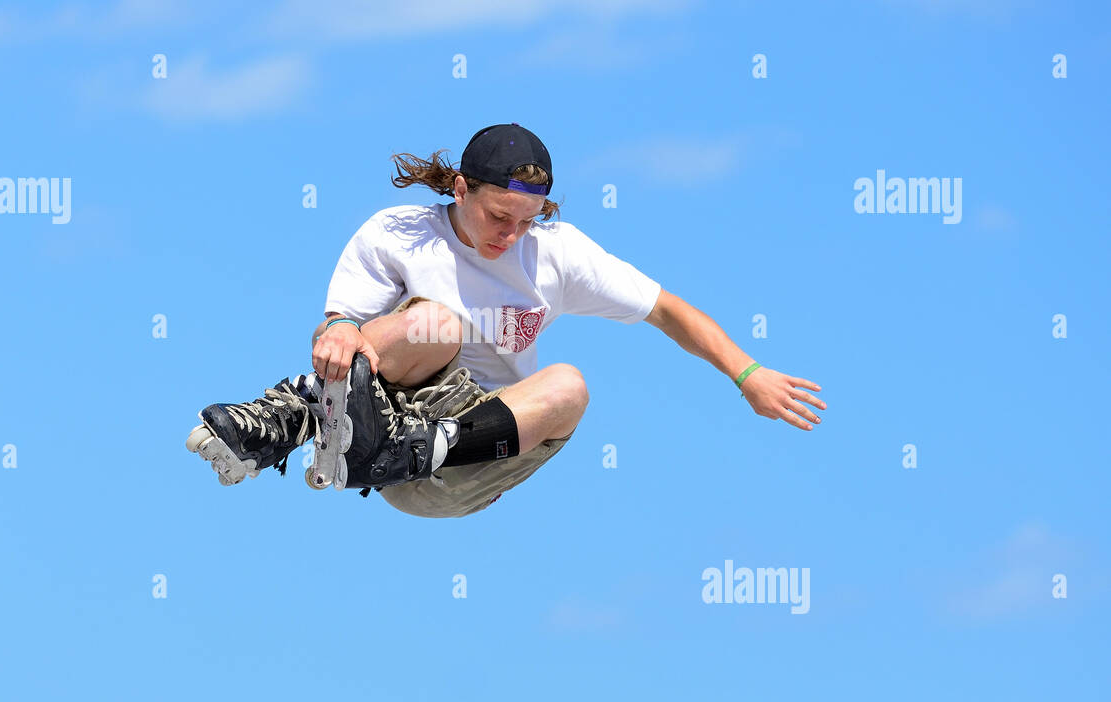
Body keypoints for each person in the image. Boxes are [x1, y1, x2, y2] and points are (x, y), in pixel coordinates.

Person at [187, 123, 825, 518]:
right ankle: (292, 418)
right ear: (460, 189)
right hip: (387, 415)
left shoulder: (558, 253)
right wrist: (342, 335)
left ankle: (415, 444)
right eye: (498, 217)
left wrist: (748, 373)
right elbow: (341, 330)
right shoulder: (399, 233)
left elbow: (670, 311)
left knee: (569, 387)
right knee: (435, 324)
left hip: (465, 462)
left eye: (528, 220)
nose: (511, 235)